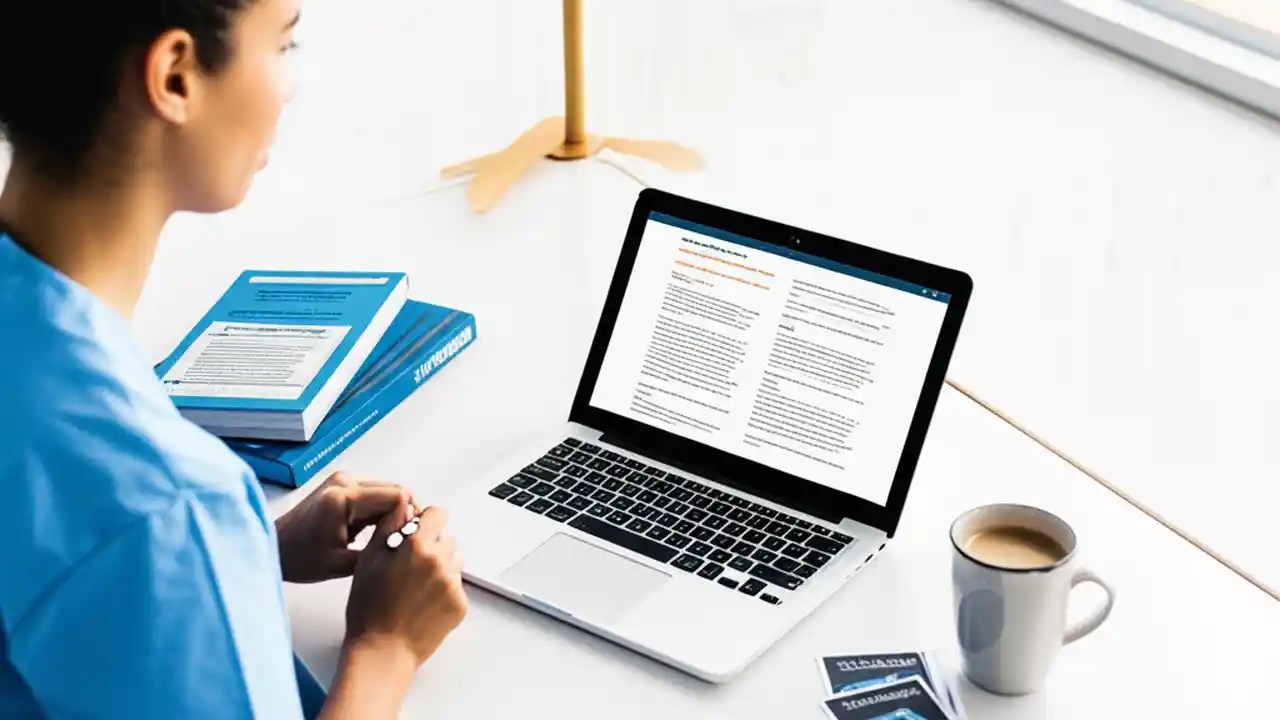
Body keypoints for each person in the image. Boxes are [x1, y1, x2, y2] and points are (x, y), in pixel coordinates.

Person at [0, 1, 467, 718]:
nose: (290, 86)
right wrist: (387, 645)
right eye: (283, 45)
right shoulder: (170, 502)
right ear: (176, 76)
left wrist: (243, 551)